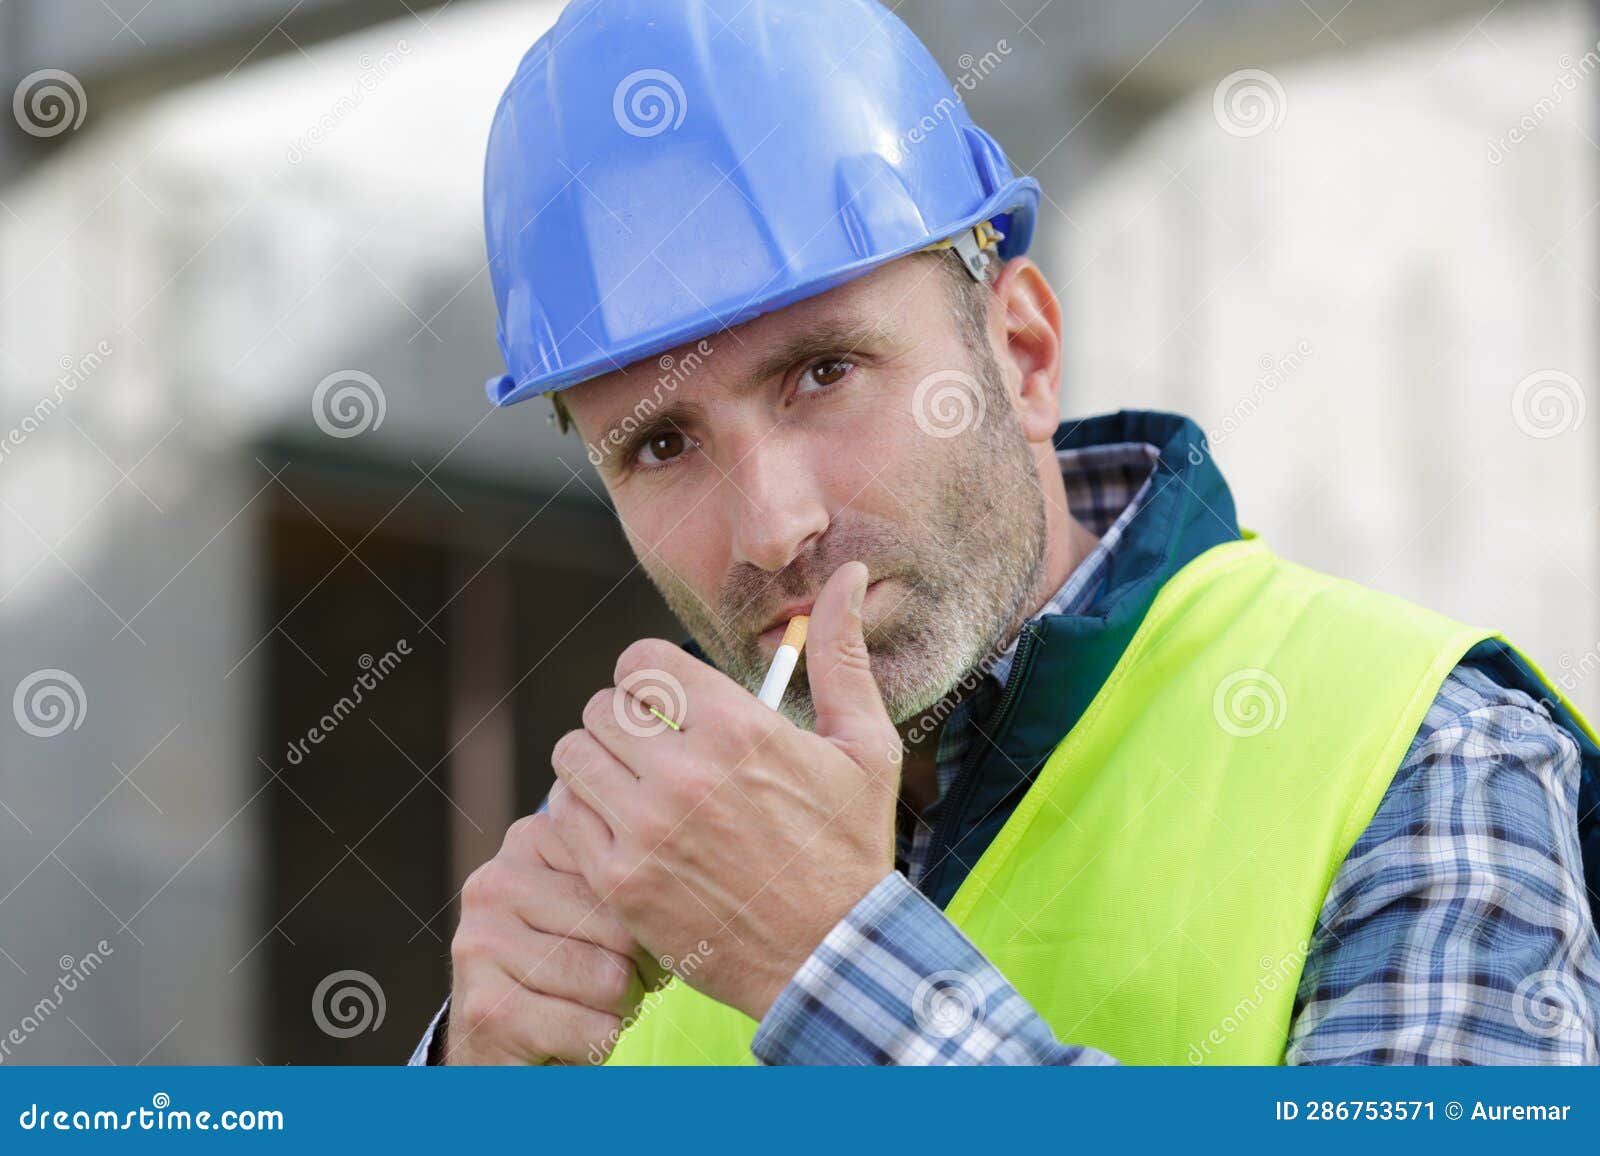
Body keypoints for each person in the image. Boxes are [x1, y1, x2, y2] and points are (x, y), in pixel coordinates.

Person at [411, 0, 1600, 1065]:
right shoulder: (618, 898)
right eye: (661, 445)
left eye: (826, 372)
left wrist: (827, 969)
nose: (774, 527)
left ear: (1021, 355)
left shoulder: (1430, 760)